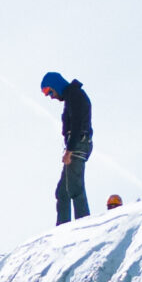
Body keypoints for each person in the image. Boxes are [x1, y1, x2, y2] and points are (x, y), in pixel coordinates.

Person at [40, 71, 93, 223]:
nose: (50, 96)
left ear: (56, 84)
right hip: (75, 144)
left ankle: (84, 224)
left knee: (75, 188)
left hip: (78, 144)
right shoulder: (71, 97)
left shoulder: (75, 95)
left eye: (49, 91)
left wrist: (70, 150)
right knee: (62, 192)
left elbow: (77, 124)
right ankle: (63, 229)